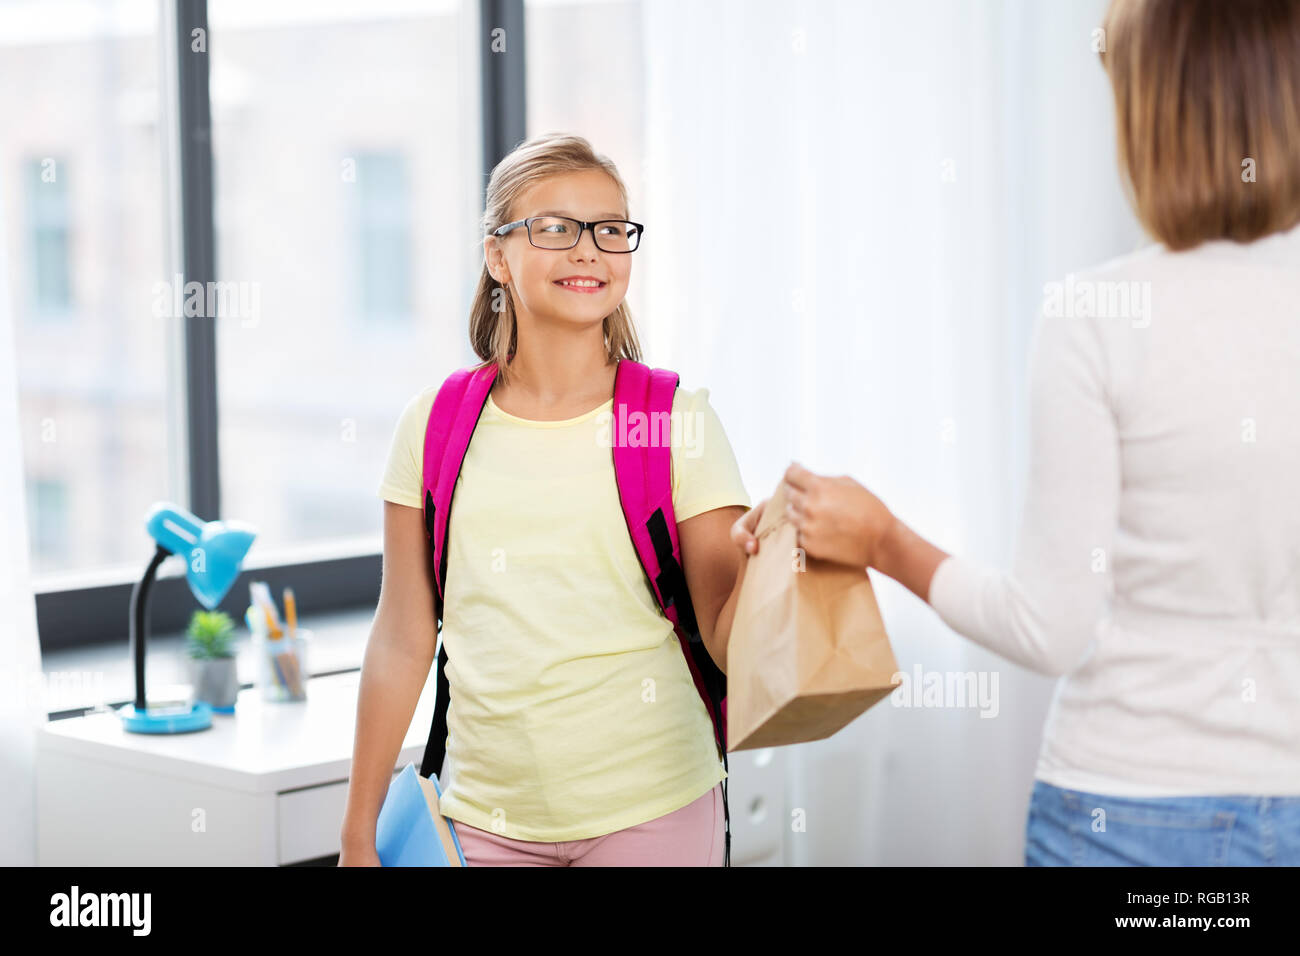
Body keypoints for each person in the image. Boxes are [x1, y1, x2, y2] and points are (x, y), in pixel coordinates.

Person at [733, 0, 1300, 865]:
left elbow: (1050, 627)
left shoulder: (1097, 318)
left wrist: (883, 538)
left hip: (1126, 810)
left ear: (1155, 114)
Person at [339, 133, 751, 866]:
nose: (589, 250)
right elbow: (403, 638)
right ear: (498, 256)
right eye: (556, 228)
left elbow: (725, 632)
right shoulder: (433, 426)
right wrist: (356, 834)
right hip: (483, 820)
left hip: (655, 812)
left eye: (609, 229)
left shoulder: (675, 418)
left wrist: (775, 565)